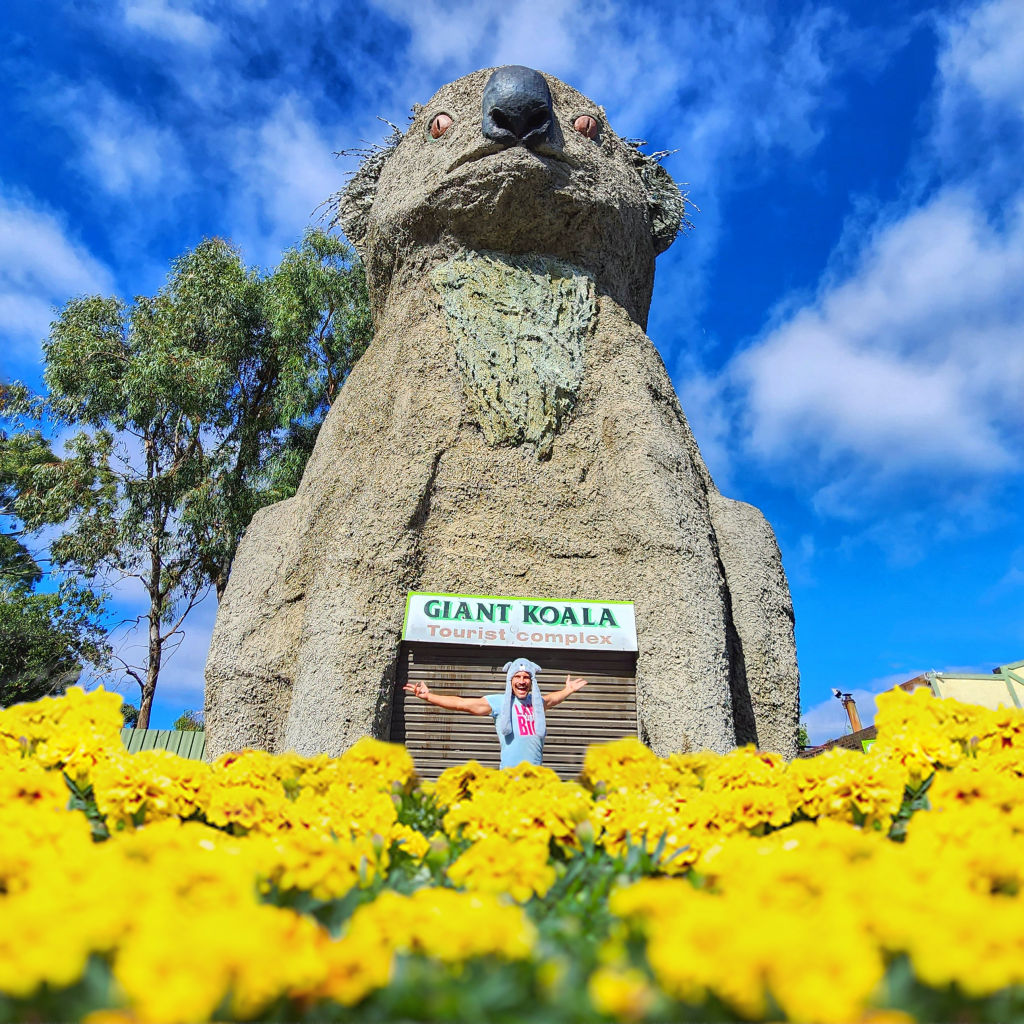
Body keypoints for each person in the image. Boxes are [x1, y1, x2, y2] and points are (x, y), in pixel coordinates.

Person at [402, 657, 588, 768]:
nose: (522, 680)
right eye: (517, 676)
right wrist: (429, 696)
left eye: (526, 677)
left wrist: (568, 690)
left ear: (531, 682)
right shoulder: (499, 703)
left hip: (536, 779)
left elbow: (552, 699)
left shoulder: (536, 704)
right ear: (510, 680)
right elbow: (462, 704)